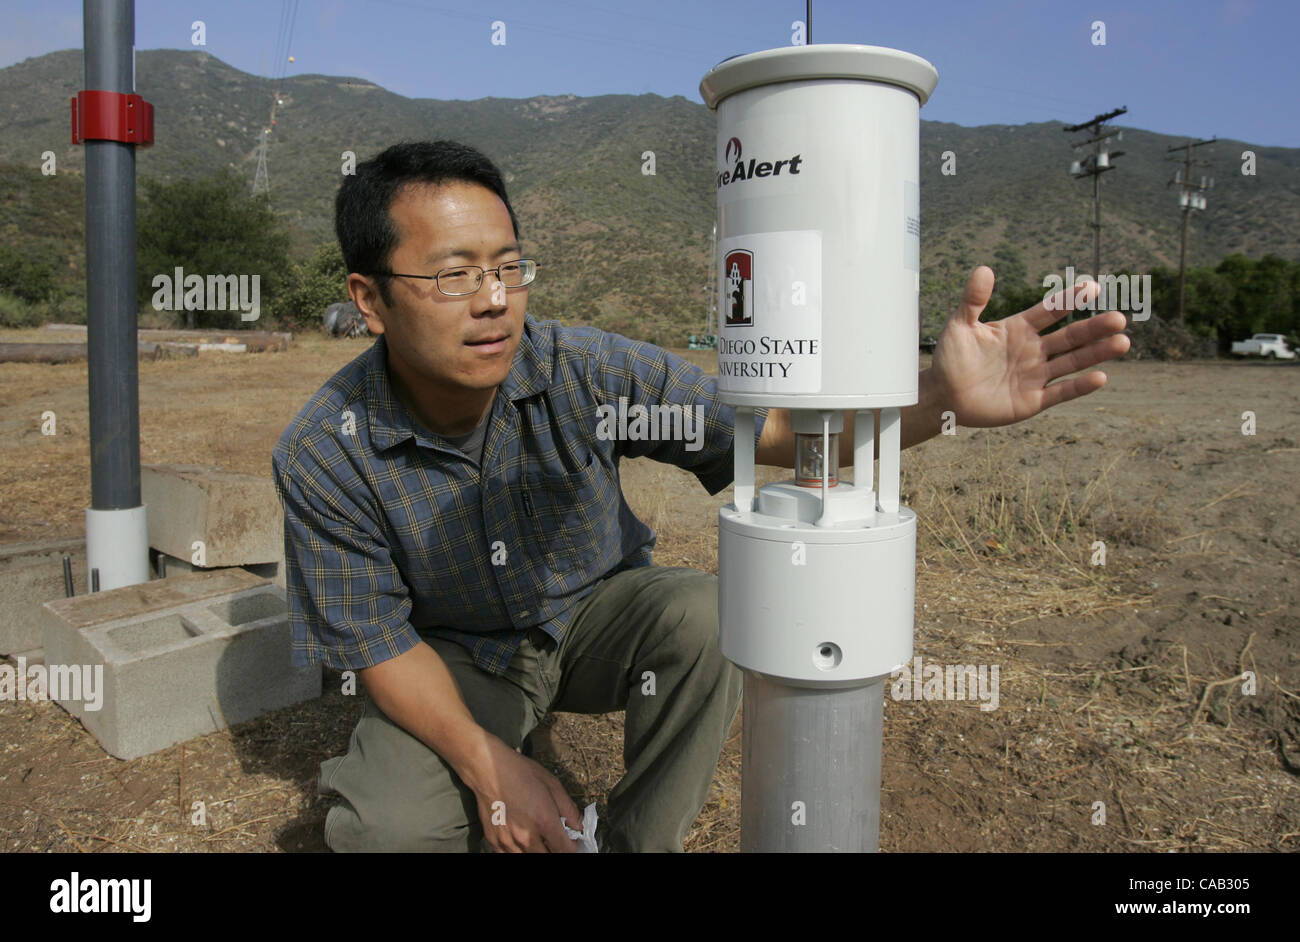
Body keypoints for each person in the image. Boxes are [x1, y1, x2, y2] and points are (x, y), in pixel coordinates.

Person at [271, 139, 1130, 853]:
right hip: (458, 654)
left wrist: (938, 401)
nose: (495, 302)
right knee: (383, 830)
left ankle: (636, 845)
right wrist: (493, 768)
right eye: (454, 276)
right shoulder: (325, 451)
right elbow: (380, 645)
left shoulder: (586, 368)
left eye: (509, 266)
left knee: (717, 612)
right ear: (370, 300)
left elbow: (767, 435)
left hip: (597, 613)